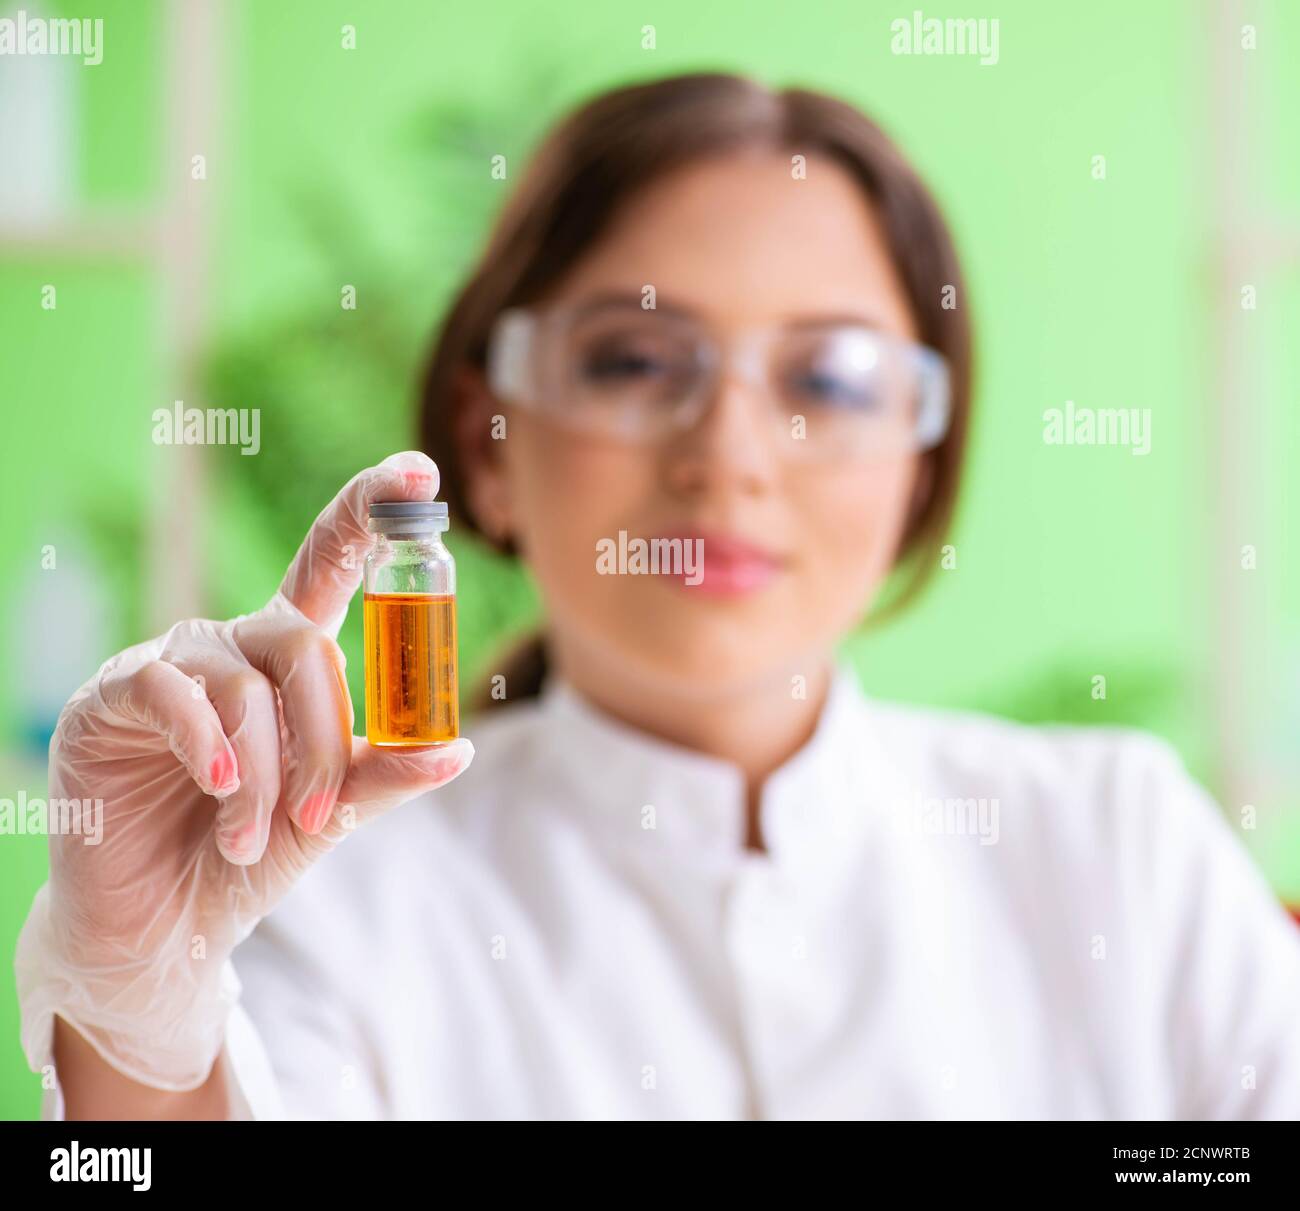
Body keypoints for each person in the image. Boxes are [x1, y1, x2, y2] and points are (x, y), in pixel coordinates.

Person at [16, 73, 1300, 1120]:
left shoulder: (1121, 853)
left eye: (834, 380)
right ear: (493, 440)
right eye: (635, 357)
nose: (729, 451)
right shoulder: (325, 895)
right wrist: (138, 1008)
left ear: (917, 468)